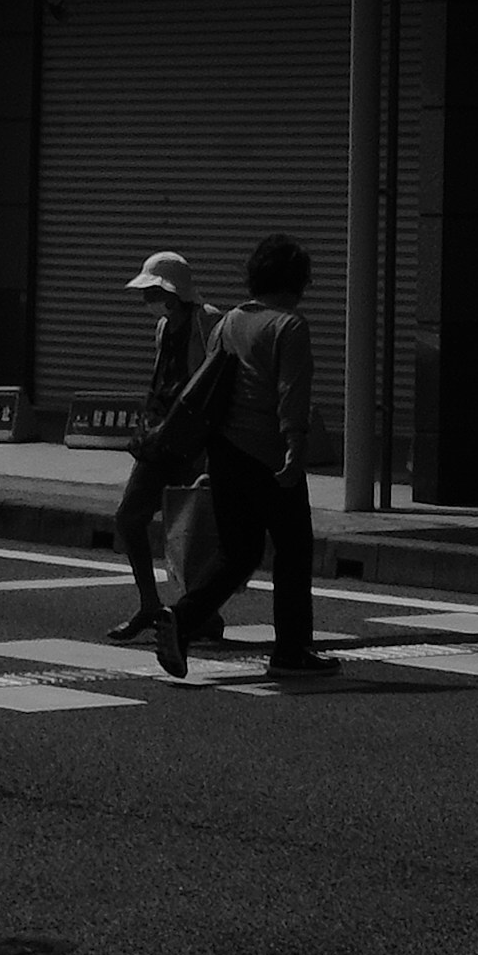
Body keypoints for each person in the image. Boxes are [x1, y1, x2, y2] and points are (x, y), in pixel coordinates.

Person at [155, 232, 321, 680]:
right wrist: (295, 447)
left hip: (225, 451)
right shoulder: (290, 326)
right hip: (268, 454)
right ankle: (291, 650)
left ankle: (183, 618)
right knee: (292, 549)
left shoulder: (229, 322)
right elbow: (291, 393)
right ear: (297, 280)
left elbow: (210, 386)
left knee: (238, 552)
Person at [110, 249, 218, 648]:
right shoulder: (163, 326)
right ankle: (149, 603)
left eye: (153, 290)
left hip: (192, 441)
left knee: (193, 529)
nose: (147, 299)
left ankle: (202, 611)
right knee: (129, 517)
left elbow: (213, 382)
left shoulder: (206, 320)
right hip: (160, 436)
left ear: (173, 291)